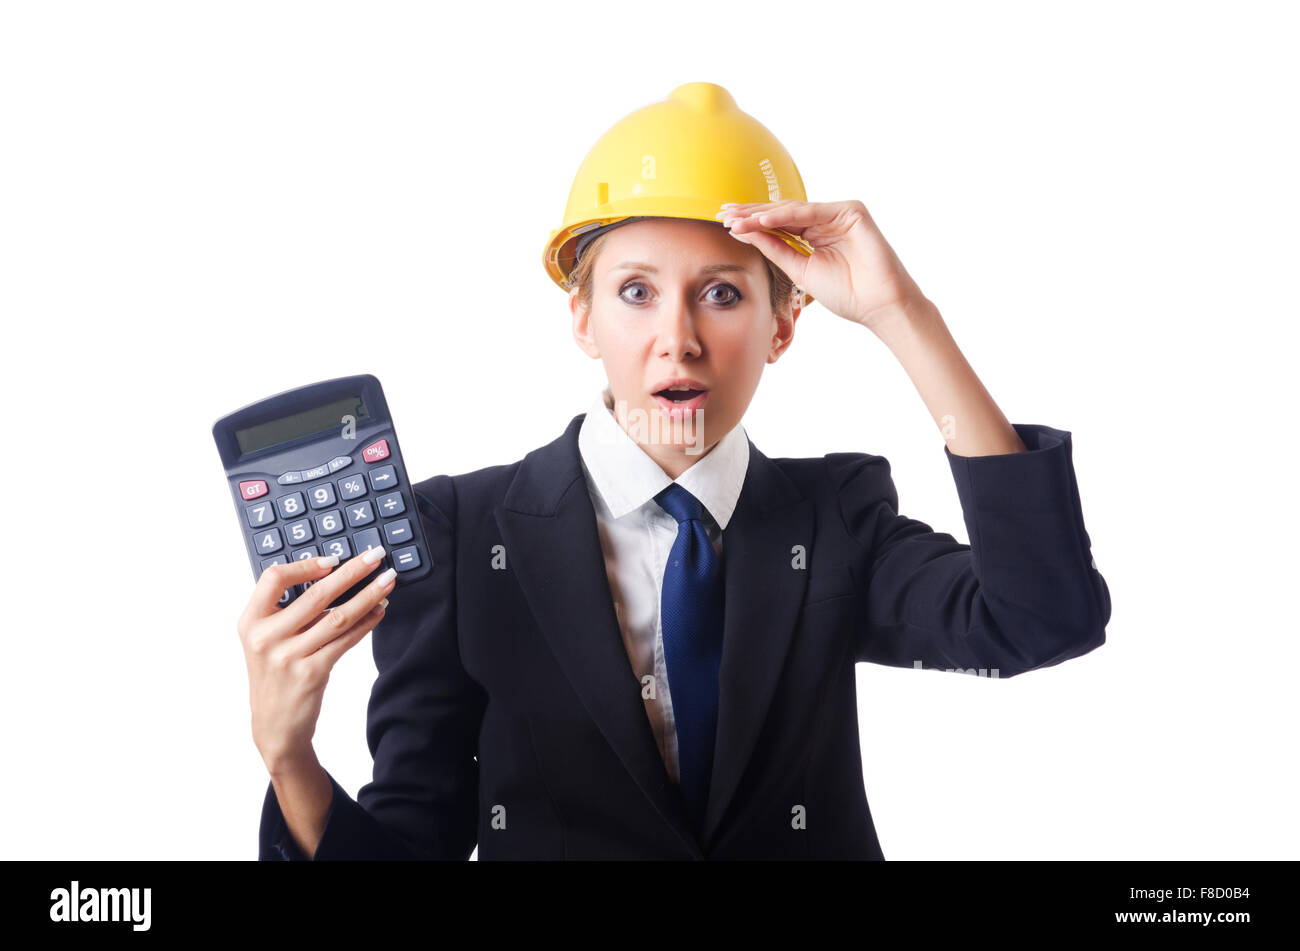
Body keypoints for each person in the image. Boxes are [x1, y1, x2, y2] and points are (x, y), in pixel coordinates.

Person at [238, 82, 1110, 860]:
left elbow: (1039, 618)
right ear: (581, 318)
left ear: (784, 325)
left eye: (724, 292)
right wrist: (290, 758)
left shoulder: (835, 518)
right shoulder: (466, 537)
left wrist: (900, 311)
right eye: (636, 291)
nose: (679, 337)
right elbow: (410, 846)